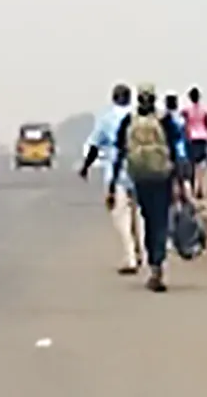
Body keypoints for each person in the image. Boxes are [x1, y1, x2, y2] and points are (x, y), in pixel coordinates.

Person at [108, 83, 188, 293]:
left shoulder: (130, 121)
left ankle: (154, 263)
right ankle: (157, 266)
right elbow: (178, 150)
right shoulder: (165, 120)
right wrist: (182, 181)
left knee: (148, 220)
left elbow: (119, 153)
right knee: (159, 221)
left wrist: (112, 184)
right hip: (162, 177)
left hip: (140, 177)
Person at [79, 84, 140, 275]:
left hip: (117, 172)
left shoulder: (106, 118)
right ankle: (143, 252)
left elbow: (95, 145)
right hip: (141, 170)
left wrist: (85, 167)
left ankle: (131, 256)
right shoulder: (140, 117)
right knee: (141, 215)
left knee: (121, 215)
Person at [181, 87, 207, 199]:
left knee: (191, 164)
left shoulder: (186, 110)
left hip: (191, 138)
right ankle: (199, 186)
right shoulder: (204, 109)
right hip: (202, 137)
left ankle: (192, 186)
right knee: (201, 165)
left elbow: (184, 124)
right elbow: (206, 124)